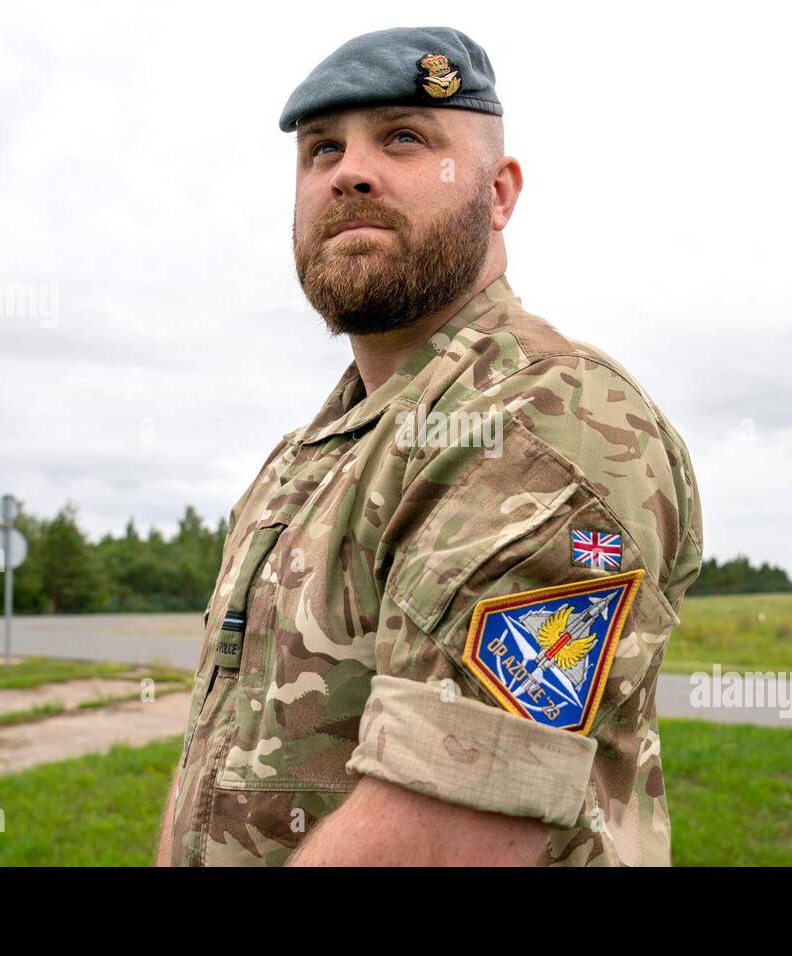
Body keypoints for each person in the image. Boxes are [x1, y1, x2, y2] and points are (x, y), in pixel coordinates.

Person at [155, 24, 702, 867]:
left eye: (404, 138)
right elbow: (214, 748)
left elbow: (448, 830)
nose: (351, 172)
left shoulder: (550, 415)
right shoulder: (304, 458)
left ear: (498, 193)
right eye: (321, 151)